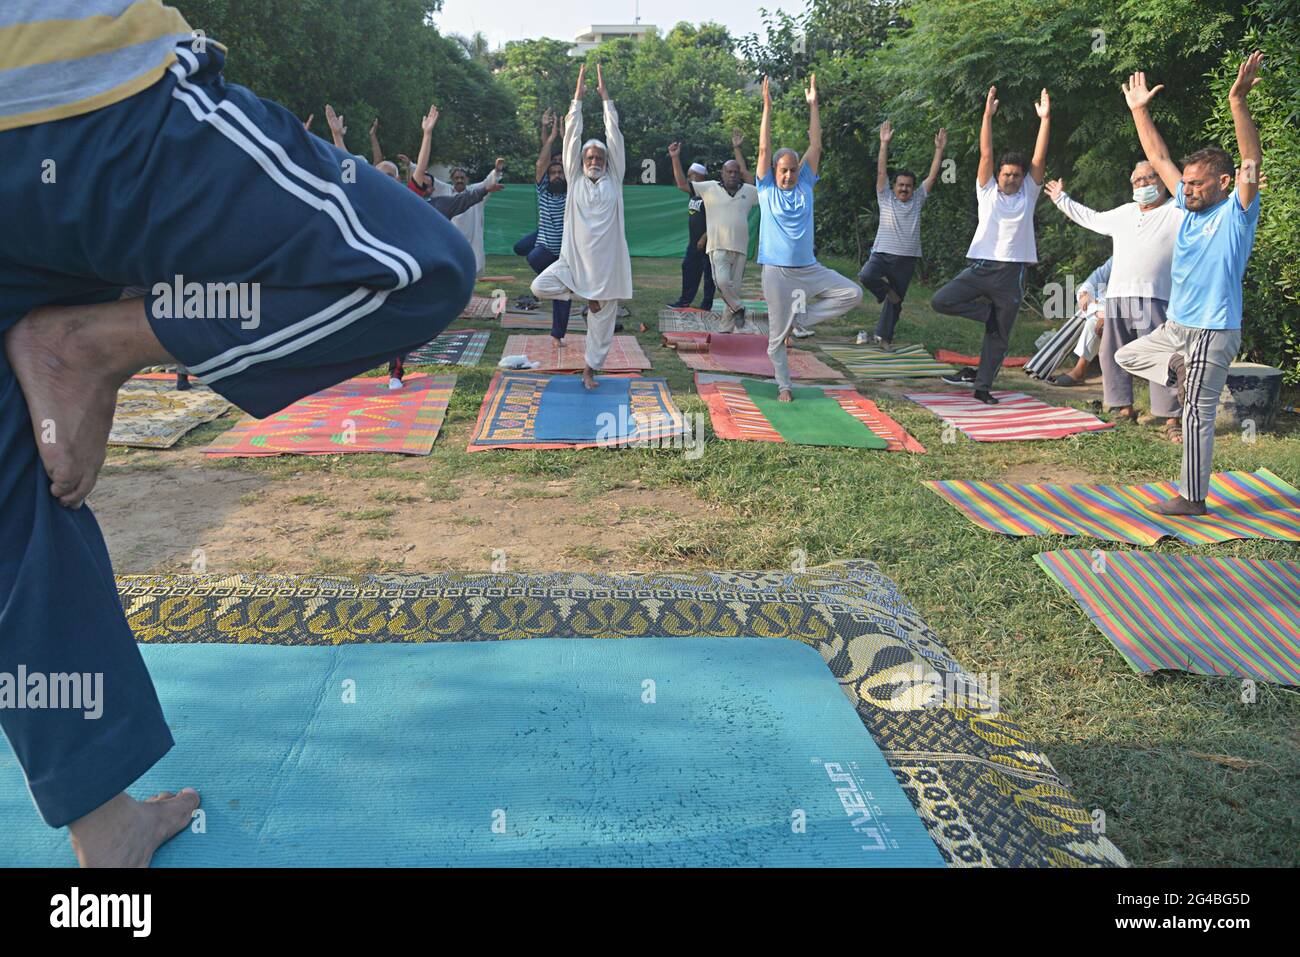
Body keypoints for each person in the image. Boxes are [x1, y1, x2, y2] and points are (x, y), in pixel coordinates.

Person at [0, 0, 476, 866]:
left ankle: (101, 828)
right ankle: (92, 343)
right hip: (88, 104)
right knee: (416, 269)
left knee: (21, 490)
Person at [1112, 54, 1264, 516]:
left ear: (1223, 183)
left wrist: (1237, 102)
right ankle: (1181, 366)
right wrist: (1140, 110)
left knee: (1196, 412)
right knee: (1126, 354)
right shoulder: (1188, 206)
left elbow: (1251, 161)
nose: (1188, 190)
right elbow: (1158, 157)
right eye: (1187, 183)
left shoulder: (1236, 214)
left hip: (1214, 331)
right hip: (1178, 327)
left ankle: (1192, 497)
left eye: (1197, 184)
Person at [931, 85, 1051, 404]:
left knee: (999, 337)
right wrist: (987, 115)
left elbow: (1040, 157)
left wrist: (1045, 118)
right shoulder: (986, 192)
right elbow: (986, 153)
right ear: (997, 175)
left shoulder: (1028, 193)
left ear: (1023, 178)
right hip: (981, 267)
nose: (1011, 179)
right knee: (941, 301)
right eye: (1006, 174)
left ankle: (982, 388)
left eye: (1016, 175)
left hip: (1011, 274)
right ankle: (986, 313)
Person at [1044, 162, 1183, 435]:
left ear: (1163, 181)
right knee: (1111, 354)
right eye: (1136, 181)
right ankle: (1123, 409)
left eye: (1148, 178)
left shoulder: (1177, 210)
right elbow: (1091, 218)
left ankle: (1171, 420)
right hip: (1118, 298)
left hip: (1157, 297)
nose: (1142, 185)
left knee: (1161, 356)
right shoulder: (1125, 213)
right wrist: (1061, 199)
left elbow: (1206, 204)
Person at [755, 74, 864, 402]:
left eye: (792, 169)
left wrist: (814, 105)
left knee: (852, 293)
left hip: (809, 269)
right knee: (776, 338)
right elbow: (763, 147)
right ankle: (784, 385)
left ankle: (800, 319)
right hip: (777, 272)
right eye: (783, 170)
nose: (788, 175)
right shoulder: (765, 189)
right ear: (774, 171)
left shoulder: (805, 185)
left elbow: (816, 145)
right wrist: (767, 107)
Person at [530, 63, 633, 390]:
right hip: (572, 266)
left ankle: (590, 369)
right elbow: (572, 136)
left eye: (598, 157)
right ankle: (583, 293)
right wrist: (577, 98)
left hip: (607, 270)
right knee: (538, 287)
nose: (593, 160)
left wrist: (606, 101)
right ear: (581, 161)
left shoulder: (614, 180)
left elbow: (613, 137)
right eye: (588, 157)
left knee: (602, 326)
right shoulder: (574, 180)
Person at [387, 178, 505, 387]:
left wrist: (485, 189)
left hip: (431, 273)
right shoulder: (393, 205)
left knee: (420, 321)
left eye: (425, 183)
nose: (421, 186)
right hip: (400, 273)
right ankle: (395, 373)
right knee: (398, 326)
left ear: (430, 190)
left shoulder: (439, 205)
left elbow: (464, 199)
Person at [855, 122, 947, 348]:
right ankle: (886, 292)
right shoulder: (885, 198)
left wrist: (939, 150)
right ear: (893, 186)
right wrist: (884, 144)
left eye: (908, 186)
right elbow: (881, 171)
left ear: (913, 188)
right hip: (882, 255)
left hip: (906, 259)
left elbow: (933, 177)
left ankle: (884, 337)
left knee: (895, 303)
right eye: (900, 185)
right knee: (867, 275)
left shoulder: (917, 200)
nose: (904, 189)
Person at [669, 134, 758, 332]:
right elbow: (683, 185)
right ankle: (739, 308)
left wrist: (737, 150)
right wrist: (675, 158)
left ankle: (726, 327)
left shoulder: (749, 191)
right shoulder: (709, 188)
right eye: (729, 172)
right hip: (717, 247)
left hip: (741, 248)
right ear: (722, 173)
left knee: (733, 289)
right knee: (722, 282)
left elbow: (752, 179)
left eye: (736, 172)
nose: (733, 175)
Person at [409, 104, 504, 276]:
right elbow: (423, 176)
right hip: (447, 243)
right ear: (452, 180)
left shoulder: (473, 191)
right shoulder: (443, 194)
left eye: (462, 178)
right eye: (457, 178)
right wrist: (410, 165)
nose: (459, 180)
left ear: (467, 180)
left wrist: (496, 172)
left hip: (472, 242)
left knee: (471, 273)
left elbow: (484, 186)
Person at [513, 111, 571, 344]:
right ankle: (552, 282)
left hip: (564, 253)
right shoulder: (543, 192)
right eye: (553, 172)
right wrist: (551, 134)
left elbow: (571, 160)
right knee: (524, 250)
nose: (556, 174)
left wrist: (565, 135)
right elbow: (541, 162)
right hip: (545, 246)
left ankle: (558, 336)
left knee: (562, 295)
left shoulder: (573, 192)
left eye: (560, 172)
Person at [1049, 257, 1110, 387]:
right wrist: (1086, 294)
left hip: (1139, 309)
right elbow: (1090, 283)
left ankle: (1080, 370)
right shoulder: (1116, 258)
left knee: (1096, 321)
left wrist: (1107, 312)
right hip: (1108, 307)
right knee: (1090, 308)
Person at [666, 157, 715, 312]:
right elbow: (681, 183)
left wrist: (705, 236)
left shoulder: (710, 192)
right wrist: (675, 157)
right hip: (694, 242)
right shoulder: (694, 193)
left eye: (690, 175)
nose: (688, 178)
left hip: (708, 241)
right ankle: (684, 301)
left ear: (699, 176)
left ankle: (707, 304)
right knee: (688, 268)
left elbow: (717, 217)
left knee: (709, 274)